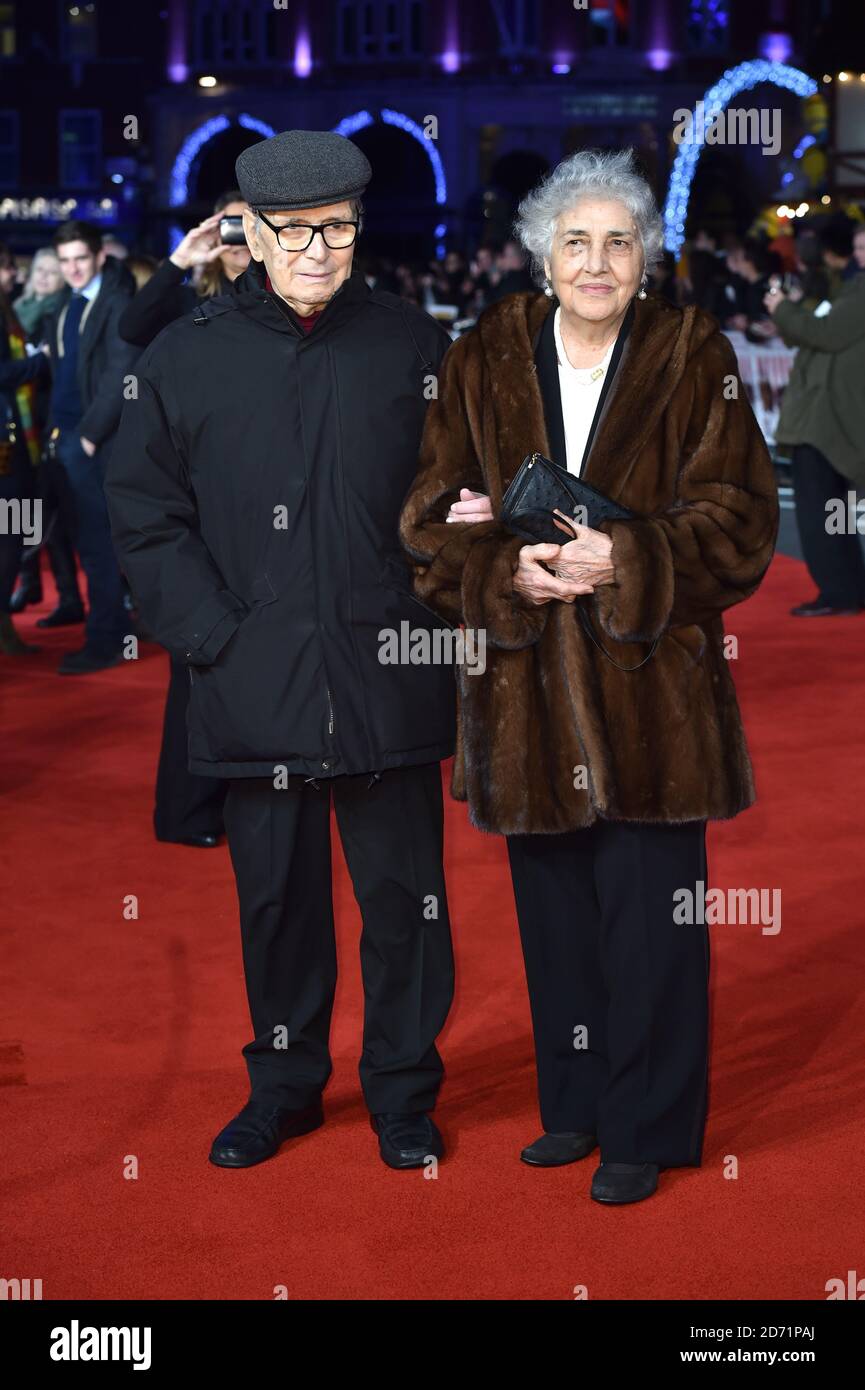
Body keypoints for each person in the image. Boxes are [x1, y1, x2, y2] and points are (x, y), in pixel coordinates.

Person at [400, 148, 779, 1205]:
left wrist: (630, 557)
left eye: (618, 242)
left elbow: (741, 522)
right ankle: (572, 1106)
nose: (596, 261)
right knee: (555, 920)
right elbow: (426, 522)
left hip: (653, 689)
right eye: (576, 242)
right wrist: (497, 564)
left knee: (652, 924)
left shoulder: (691, 351)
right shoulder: (479, 356)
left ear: (646, 256)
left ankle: (643, 1128)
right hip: (524, 697)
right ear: (541, 254)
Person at [105, 130, 458, 1173]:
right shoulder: (185, 353)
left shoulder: (411, 346)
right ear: (246, 231)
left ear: (359, 228)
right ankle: (285, 1087)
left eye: (338, 227)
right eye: (293, 230)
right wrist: (215, 633)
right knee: (276, 905)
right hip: (248, 681)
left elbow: (452, 498)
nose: (317, 248)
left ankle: (402, 1089)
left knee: (404, 904)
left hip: (386, 675)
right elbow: (143, 512)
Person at [118, 193, 251, 850]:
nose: (234, 239)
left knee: (242, 664)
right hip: (193, 503)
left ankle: (227, 798)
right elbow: (131, 326)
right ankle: (184, 812)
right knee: (196, 663)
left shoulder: (271, 301)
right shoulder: (188, 304)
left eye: (247, 226)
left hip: (250, 503)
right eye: (226, 225)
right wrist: (183, 256)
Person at [44, 220, 139, 672]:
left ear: (99, 256)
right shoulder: (67, 301)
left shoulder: (117, 300)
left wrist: (87, 437)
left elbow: (122, 376)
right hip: (64, 438)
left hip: (91, 443)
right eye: (65, 261)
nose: (73, 269)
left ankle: (107, 639)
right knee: (83, 542)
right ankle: (114, 625)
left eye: (80, 259)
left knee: (99, 546)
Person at [765, 225, 865, 616]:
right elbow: (813, 333)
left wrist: (784, 310)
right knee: (831, 510)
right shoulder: (848, 289)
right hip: (828, 419)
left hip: (829, 421)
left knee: (822, 511)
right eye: (856, 244)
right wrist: (793, 309)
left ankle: (840, 593)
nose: (858, 253)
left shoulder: (858, 292)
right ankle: (849, 588)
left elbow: (824, 334)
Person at [0, 246, 51, 655]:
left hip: (17, 443)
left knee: (17, 533)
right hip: (8, 446)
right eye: (6, 267)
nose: (13, 275)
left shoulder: (9, 309)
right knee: (13, 535)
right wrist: (40, 362)